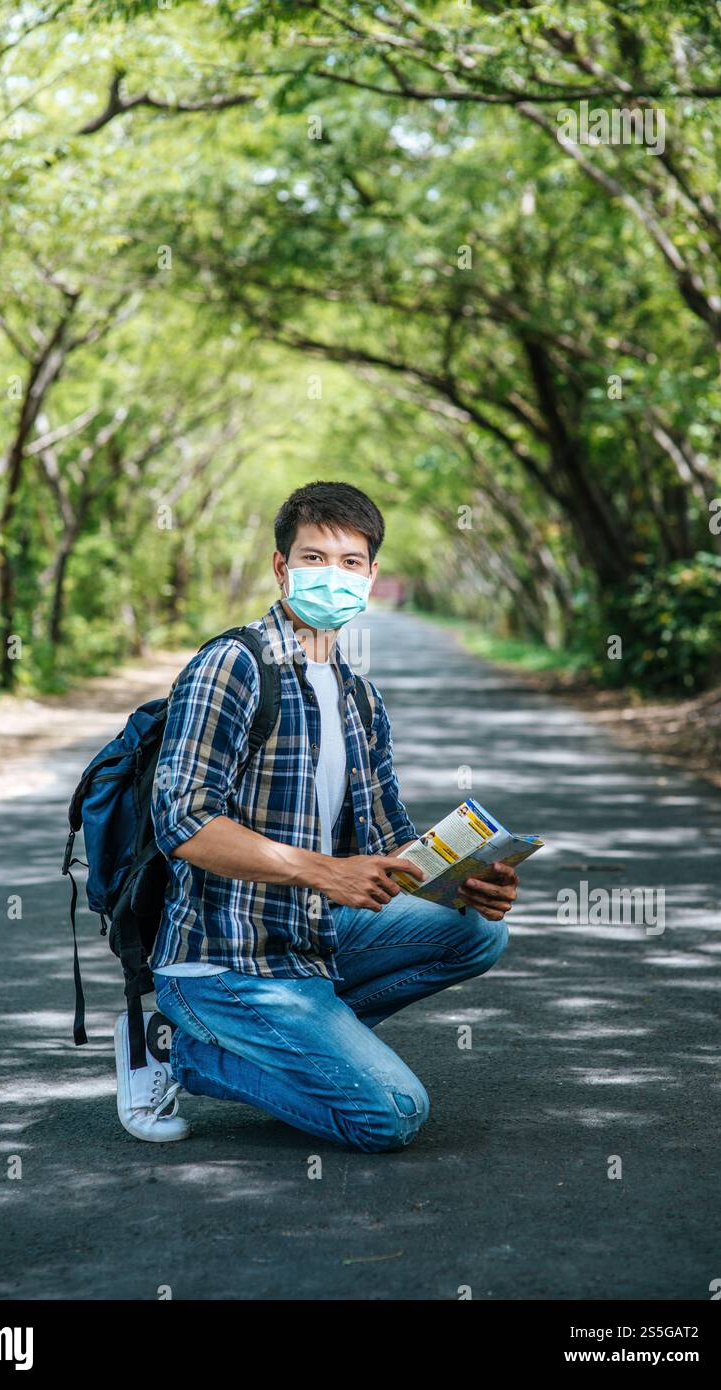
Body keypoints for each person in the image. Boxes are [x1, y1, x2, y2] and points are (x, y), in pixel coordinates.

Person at [114, 481, 517, 1151]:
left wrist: (467, 881)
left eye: (350, 561)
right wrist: (325, 873)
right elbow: (183, 822)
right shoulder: (233, 666)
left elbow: (391, 845)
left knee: (476, 933)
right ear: (282, 568)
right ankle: (175, 1049)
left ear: (371, 575)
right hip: (225, 960)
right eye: (314, 558)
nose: (333, 575)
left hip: (312, 942)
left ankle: (302, 1045)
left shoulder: (359, 697)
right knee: (390, 1115)